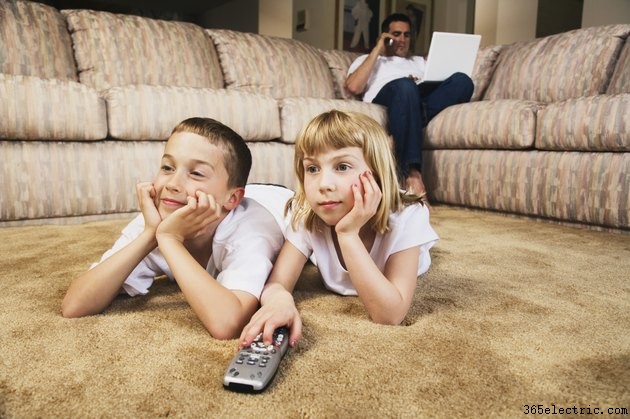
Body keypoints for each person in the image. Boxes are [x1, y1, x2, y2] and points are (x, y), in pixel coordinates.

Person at [61, 117, 292, 340]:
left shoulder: (251, 231)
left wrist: (170, 239)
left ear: (232, 198)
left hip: (278, 198)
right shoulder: (158, 218)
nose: (172, 184)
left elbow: (228, 324)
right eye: (167, 167)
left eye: (196, 173)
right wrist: (151, 235)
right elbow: (74, 306)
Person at [239, 110, 439, 348]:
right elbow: (277, 283)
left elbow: (390, 315)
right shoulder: (307, 216)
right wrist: (279, 301)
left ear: (376, 172)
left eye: (342, 166)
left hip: (405, 240)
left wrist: (347, 234)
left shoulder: (408, 217)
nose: (324, 185)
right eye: (312, 169)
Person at [345, 13, 474, 200]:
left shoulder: (418, 62)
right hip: (391, 95)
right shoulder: (368, 60)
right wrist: (378, 49)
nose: (402, 40)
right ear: (384, 36)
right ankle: (412, 174)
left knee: (463, 81)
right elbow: (354, 86)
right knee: (405, 86)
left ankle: (409, 118)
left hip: (417, 96)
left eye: (406, 35)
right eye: (396, 34)